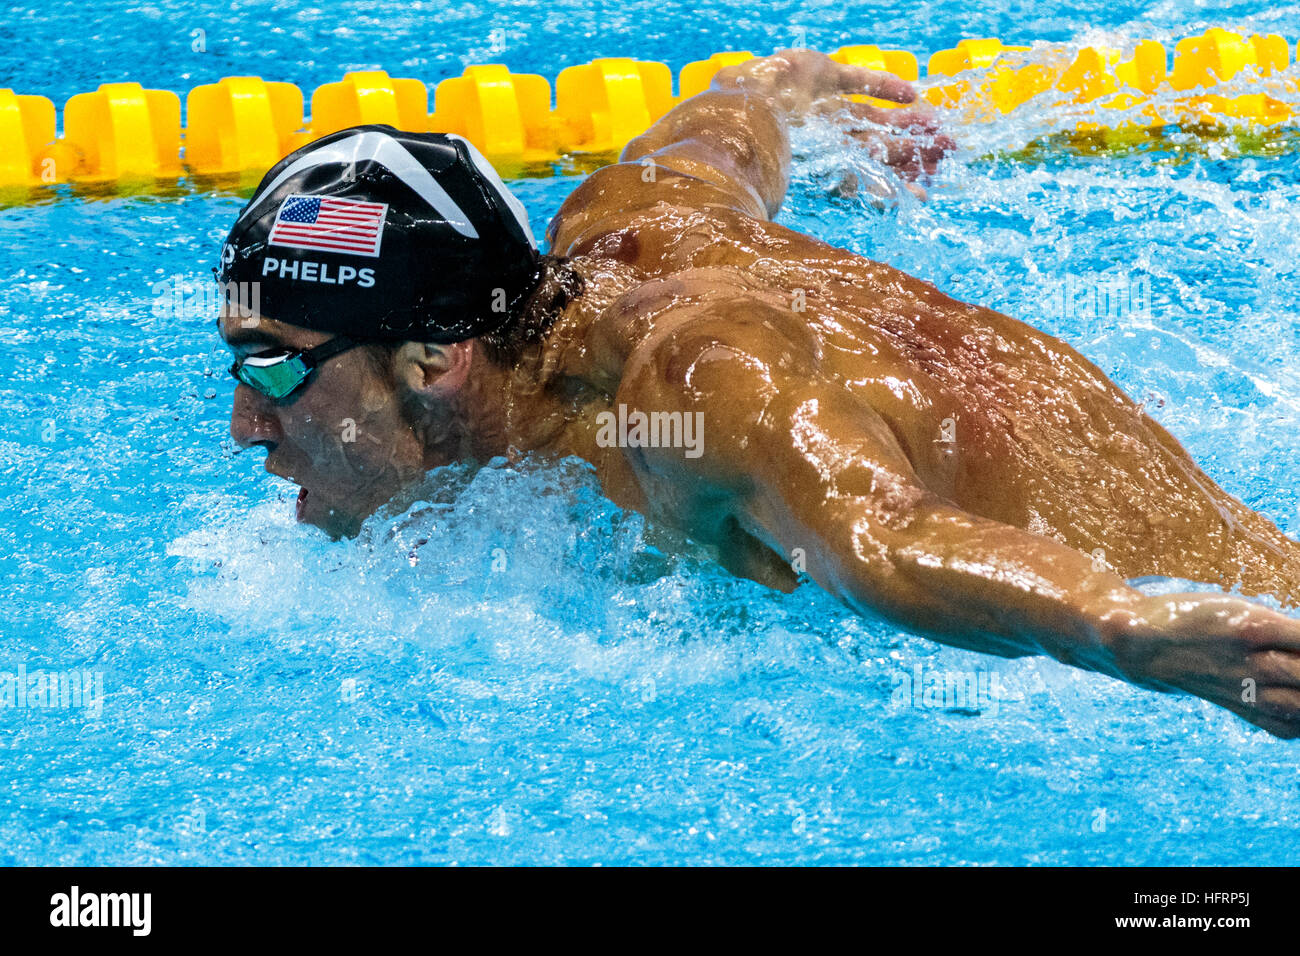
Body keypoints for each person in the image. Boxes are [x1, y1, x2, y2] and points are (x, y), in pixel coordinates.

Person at [217, 49, 1300, 737]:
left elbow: (881, 543)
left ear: (431, 362)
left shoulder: (692, 388)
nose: (244, 426)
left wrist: (1123, 629)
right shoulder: (624, 217)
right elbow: (716, 135)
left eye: (273, 366)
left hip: (1256, 638)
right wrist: (795, 89)